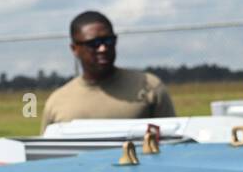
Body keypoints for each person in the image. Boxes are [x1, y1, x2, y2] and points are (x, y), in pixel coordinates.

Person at [40, 10, 175, 130]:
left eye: (108, 41)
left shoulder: (149, 86)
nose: (103, 49)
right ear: (74, 49)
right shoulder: (57, 102)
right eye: (93, 44)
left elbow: (173, 143)